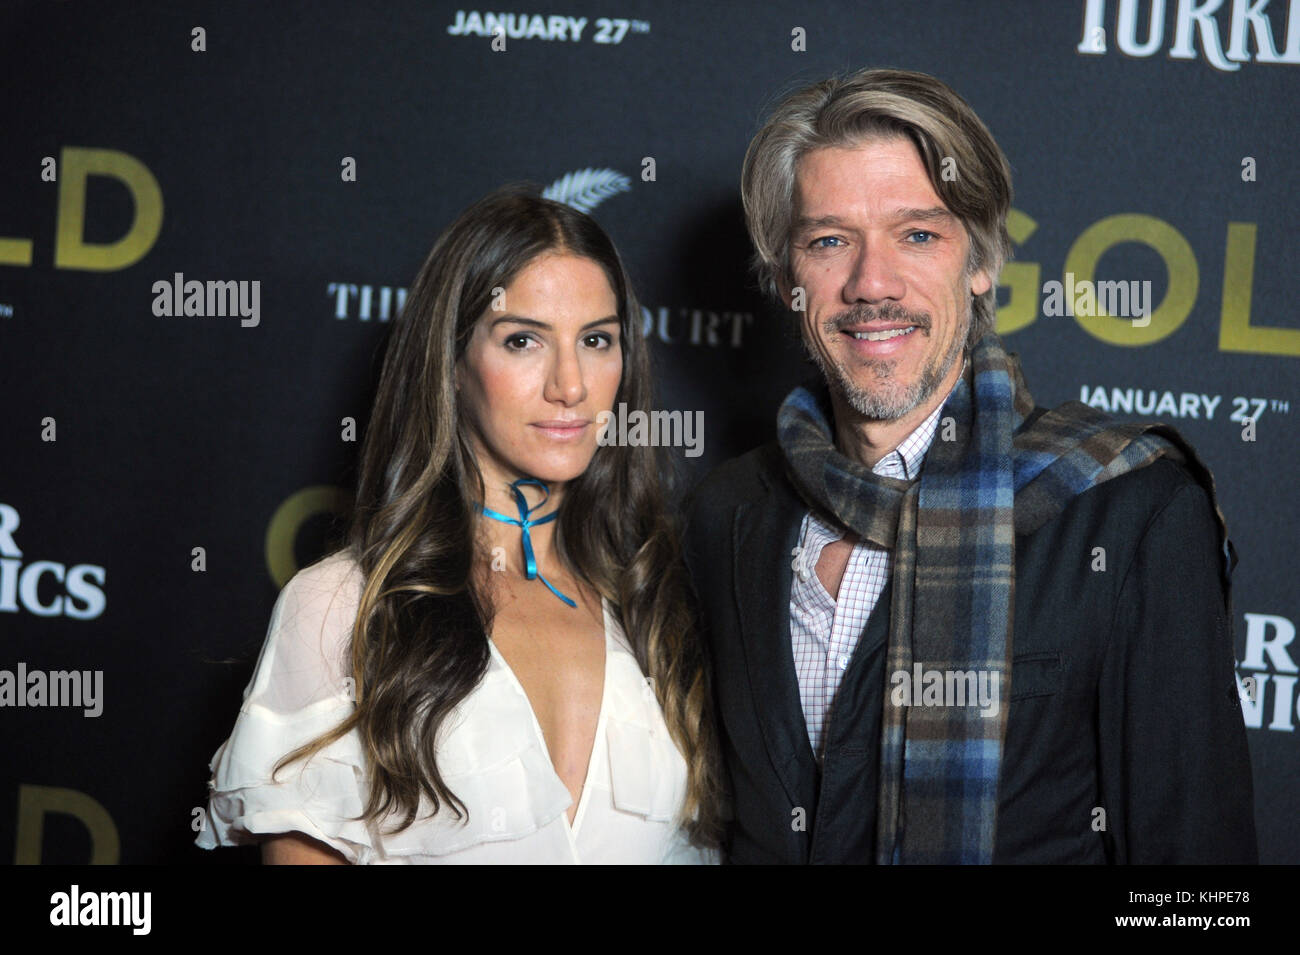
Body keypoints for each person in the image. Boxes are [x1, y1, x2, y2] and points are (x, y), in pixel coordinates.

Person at [683, 67, 1257, 864]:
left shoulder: (1127, 511)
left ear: (981, 263)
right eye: (828, 241)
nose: (871, 283)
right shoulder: (725, 513)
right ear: (788, 279)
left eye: (918, 234)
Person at [196, 185, 722, 864]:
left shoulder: (661, 608)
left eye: (597, 340)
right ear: (450, 363)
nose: (570, 384)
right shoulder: (343, 608)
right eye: (523, 339)